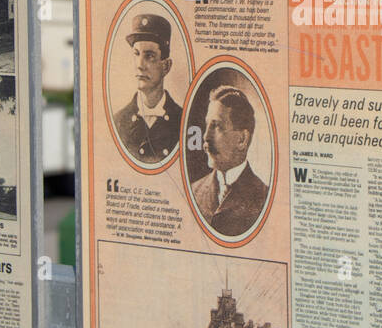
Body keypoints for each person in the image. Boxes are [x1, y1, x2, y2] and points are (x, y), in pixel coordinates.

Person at [190, 85, 269, 236]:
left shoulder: (264, 198)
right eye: (207, 125)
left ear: (242, 139)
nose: (206, 136)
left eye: (217, 126)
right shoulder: (194, 191)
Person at [113, 12, 182, 164]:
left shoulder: (182, 121)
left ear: (166, 66)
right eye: (136, 54)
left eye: (149, 56)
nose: (140, 64)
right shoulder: (118, 121)